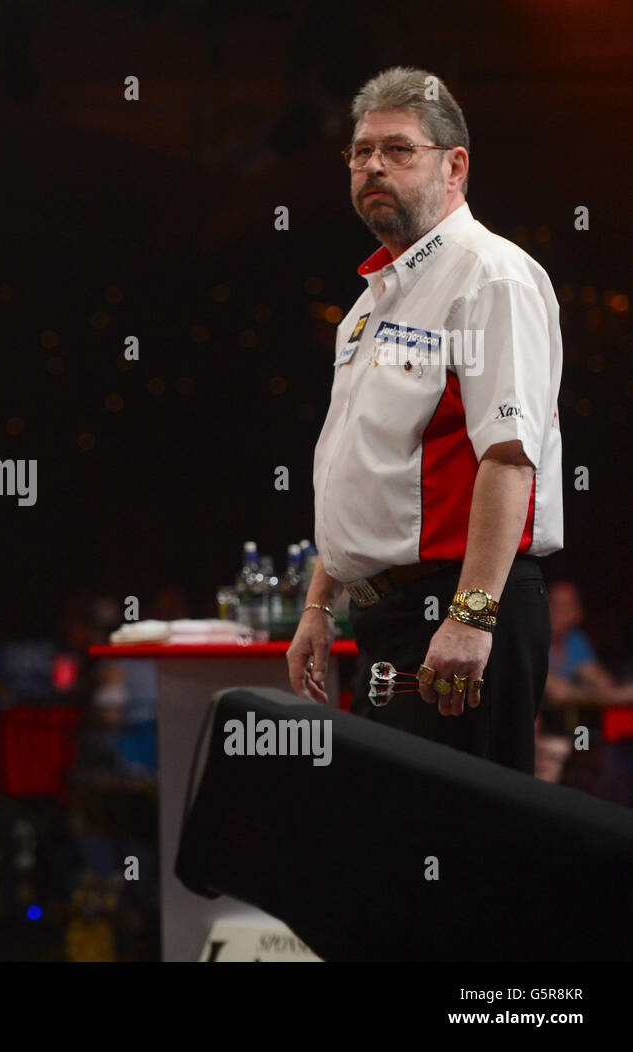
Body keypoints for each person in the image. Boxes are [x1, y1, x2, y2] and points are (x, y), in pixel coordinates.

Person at [286, 67, 563, 775]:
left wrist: (471, 616)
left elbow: (509, 459)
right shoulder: (368, 304)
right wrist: (320, 606)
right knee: (395, 858)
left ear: (454, 165)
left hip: (459, 606)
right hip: (389, 617)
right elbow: (357, 469)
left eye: (399, 149)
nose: (373, 163)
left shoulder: (491, 276)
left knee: (461, 861)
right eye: (360, 151)